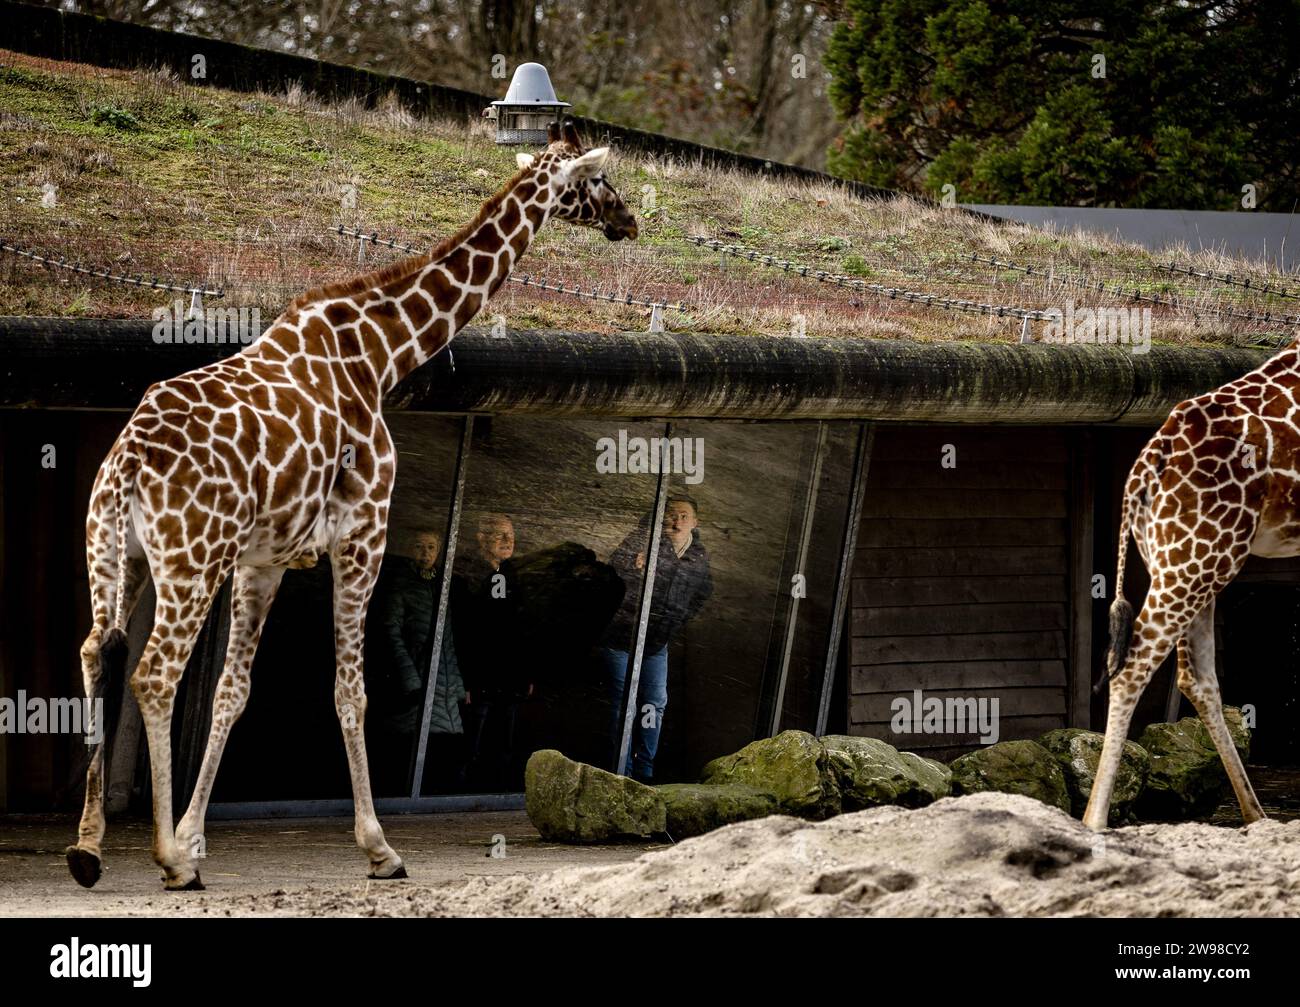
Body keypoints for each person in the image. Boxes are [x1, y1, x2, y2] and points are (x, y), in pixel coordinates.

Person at [601, 495, 712, 782]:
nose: (677, 521)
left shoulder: (698, 558)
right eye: (672, 515)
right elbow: (612, 572)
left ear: (695, 523)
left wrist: (675, 623)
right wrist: (633, 568)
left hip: (655, 645)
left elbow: (702, 593)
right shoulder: (643, 540)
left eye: (684, 516)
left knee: (654, 704)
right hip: (621, 640)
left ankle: (644, 771)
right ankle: (620, 772)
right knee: (624, 705)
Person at [367, 528, 466, 795]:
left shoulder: (441, 587)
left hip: (442, 686)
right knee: (410, 746)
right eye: (419, 547)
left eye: (431, 547)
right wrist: (410, 679)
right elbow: (390, 634)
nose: (426, 554)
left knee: (444, 747)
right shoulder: (400, 586)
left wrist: (457, 685)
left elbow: (449, 643)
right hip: (415, 685)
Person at [452, 513, 533, 790]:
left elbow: (521, 628)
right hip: (478, 677)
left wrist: (526, 673)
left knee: (504, 743)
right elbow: (462, 632)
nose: (508, 541)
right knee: (471, 742)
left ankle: (493, 794)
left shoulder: (514, 574)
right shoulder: (467, 573)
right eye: (500, 534)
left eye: (510, 535)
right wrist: (467, 678)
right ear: (481, 538)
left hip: (508, 678)